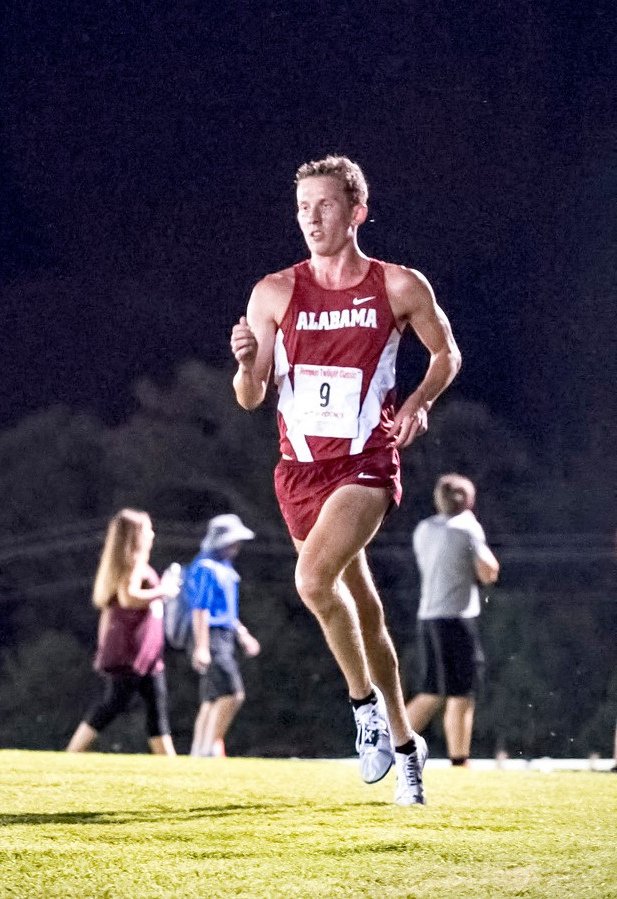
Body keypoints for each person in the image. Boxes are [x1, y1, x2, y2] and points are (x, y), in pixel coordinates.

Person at [230, 155, 462, 805]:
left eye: (325, 205)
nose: (311, 217)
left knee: (311, 581)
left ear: (357, 211)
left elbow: (446, 352)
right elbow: (251, 397)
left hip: (365, 461)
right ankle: (407, 747)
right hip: (299, 470)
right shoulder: (274, 291)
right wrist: (245, 365)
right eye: (303, 207)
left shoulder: (398, 285)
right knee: (363, 608)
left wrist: (418, 401)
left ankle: (364, 709)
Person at [65, 510, 179, 755]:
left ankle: (168, 761)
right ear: (134, 536)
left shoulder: (135, 564)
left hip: (146, 654)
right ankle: (73, 751)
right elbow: (128, 598)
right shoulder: (132, 564)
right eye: (147, 530)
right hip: (131, 653)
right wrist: (163, 591)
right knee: (115, 703)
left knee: (155, 705)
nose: (152, 534)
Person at [406, 474, 499, 768]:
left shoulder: (423, 529)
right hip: (457, 619)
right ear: (468, 501)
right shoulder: (467, 528)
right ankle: (459, 760)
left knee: (431, 691)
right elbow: (488, 572)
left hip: (427, 616)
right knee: (461, 693)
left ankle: (388, 745)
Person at [187, 514, 262, 758]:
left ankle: (199, 753)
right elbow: (200, 609)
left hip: (226, 636)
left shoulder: (225, 568)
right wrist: (201, 647)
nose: (236, 547)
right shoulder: (205, 567)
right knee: (232, 693)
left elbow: (227, 611)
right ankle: (209, 748)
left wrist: (243, 635)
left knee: (211, 699)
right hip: (210, 636)